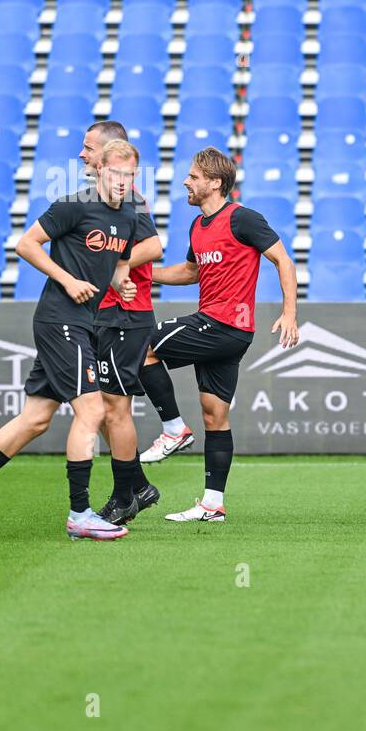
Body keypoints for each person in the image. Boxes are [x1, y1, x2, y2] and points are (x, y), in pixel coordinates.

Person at [0, 139, 141, 540]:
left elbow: (117, 265)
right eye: (116, 173)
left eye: (130, 175)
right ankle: (80, 513)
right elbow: (26, 244)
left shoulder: (130, 217)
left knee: (35, 419)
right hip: (60, 320)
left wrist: (124, 283)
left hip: (82, 322)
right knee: (93, 411)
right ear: (99, 169)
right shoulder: (73, 205)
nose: (123, 182)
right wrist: (68, 279)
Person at [144, 147, 300, 522]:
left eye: (194, 176)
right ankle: (212, 503)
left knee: (141, 345)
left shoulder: (243, 218)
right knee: (215, 416)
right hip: (224, 331)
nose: (186, 181)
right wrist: (143, 274)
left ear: (215, 182)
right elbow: (190, 272)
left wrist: (290, 312)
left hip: (223, 323)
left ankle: (173, 430)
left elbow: (283, 259)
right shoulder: (197, 227)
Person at [87, 138, 163, 526]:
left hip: (125, 315)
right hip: (102, 313)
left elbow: (154, 245)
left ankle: (124, 498)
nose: (82, 154)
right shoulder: (91, 203)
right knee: (100, 406)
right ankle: (138, 485)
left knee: (114, 407)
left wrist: (116, 265)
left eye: (88, 147)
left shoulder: (130, 200)